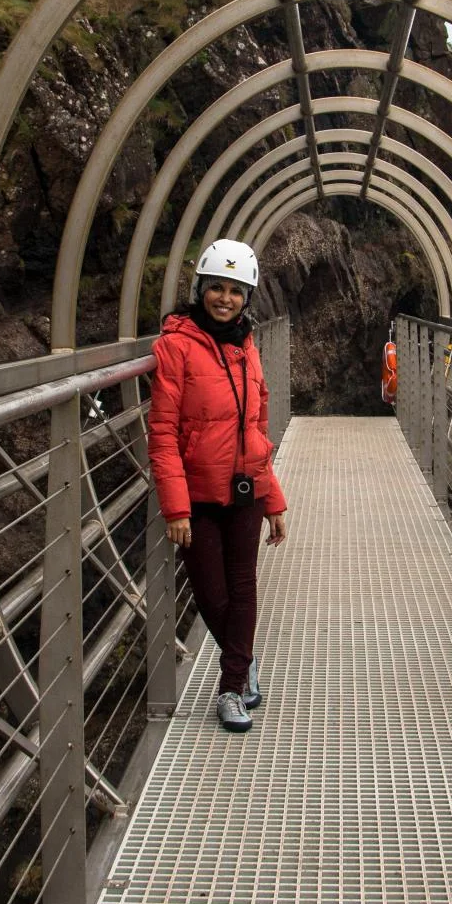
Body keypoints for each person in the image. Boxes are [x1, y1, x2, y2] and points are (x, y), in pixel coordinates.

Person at [148, 238, 289, 733]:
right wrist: (175, 507)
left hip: (247, 488)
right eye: (216, 288)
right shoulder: (175, 346)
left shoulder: (248, 344)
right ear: (200, 289)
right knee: (211, 592)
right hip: (197, 494)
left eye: (235, 290)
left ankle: (231, 688)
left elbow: (258, 425)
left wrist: (273, 498)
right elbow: (163, 432)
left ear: (247, 298)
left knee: (243, 587)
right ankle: (243, 660)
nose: (225, 298)